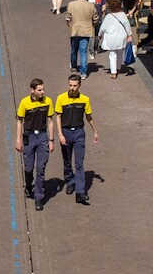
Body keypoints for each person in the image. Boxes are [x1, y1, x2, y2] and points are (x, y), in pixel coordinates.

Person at [54, 74, 98, 205]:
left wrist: (95, 130)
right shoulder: (61, 98)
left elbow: (88, 116)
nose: (72, 88)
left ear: (79, 85)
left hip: (79, 133)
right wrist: (60, 134)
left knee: (79, 163)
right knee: (67, 161)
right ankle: (70, 182)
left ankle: (80, 192)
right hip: (66, 132)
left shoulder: (85, 99)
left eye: (75, 85)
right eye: (70, 85)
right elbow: (58, 117)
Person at [15, 78, 55, 210]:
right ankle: (28, 185)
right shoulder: (24, 102)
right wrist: (18, 140)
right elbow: (20, 122)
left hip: (42, 136)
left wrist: (51, 140)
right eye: (40, 90)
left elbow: (50, 121)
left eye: (43, 89)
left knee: (40, 168)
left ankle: (38, 197)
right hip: (29, 137)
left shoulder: (48, 101)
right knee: (28, 168)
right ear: (32, 90)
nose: (43, 92)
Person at [66, 0, 99, 77]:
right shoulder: (91, 5)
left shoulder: (71, 4)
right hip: (86, 30)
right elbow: (95, 18)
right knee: (83, 51)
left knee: (74, 49)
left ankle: (73, 66)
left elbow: (68, 17)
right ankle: (83, 72)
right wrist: (93, 25)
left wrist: (70, 25)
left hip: (75, 30)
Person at [99, 0, 134, 78]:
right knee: (120, 53)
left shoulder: (108, 16)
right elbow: (127, 25)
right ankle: (118, 68)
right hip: (121, 37)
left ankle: (113, 72)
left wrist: (100, 34)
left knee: (112, 55)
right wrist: (129, 34)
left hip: (111, 37)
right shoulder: (123, 14)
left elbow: (103, 28)